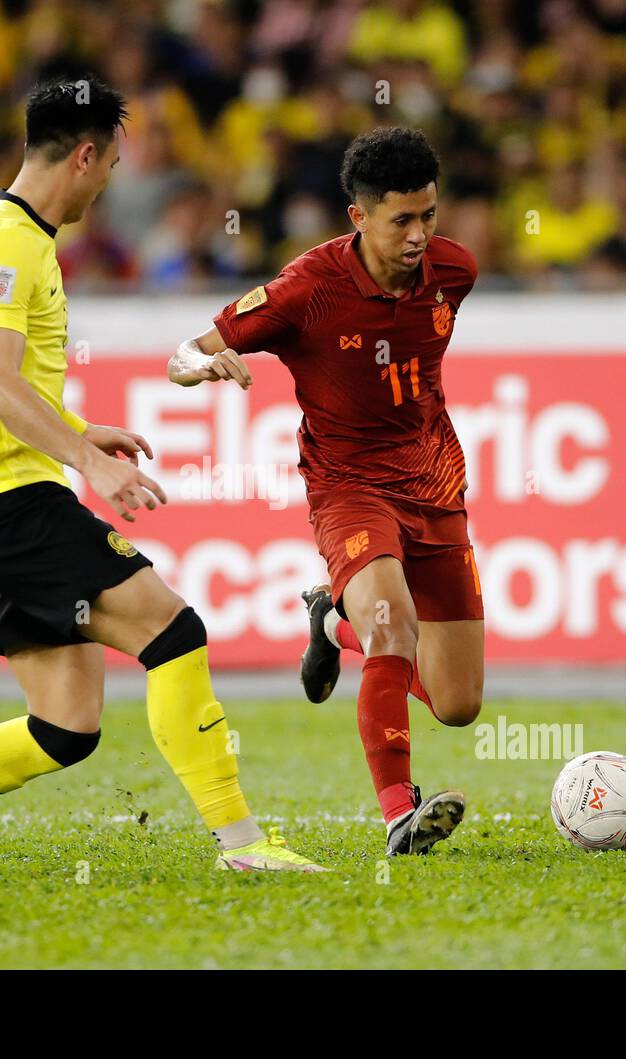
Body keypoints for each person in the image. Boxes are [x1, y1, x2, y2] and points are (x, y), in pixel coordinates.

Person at [0, 77, 323, 873]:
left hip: (2, 500)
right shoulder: (4, 244)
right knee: (173, 629)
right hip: (15, 504)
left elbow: (12, 386)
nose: (110, 180)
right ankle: (243, 845)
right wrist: (86, 465)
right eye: (110, 163)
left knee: (66, 728)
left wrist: (82, 434)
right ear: (83, 156)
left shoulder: (14, 238)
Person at [169, 126, 483, 856]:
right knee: (392, 625)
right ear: (359, 217)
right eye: (401, 219)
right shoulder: (307, 289)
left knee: (459, 703)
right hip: (349, 487)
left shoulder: (455, 271)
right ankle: (400, 811)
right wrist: (202, 366)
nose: (419, 236)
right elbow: (186, 352)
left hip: (436, 486)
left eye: (429, 215)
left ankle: (329, 621)